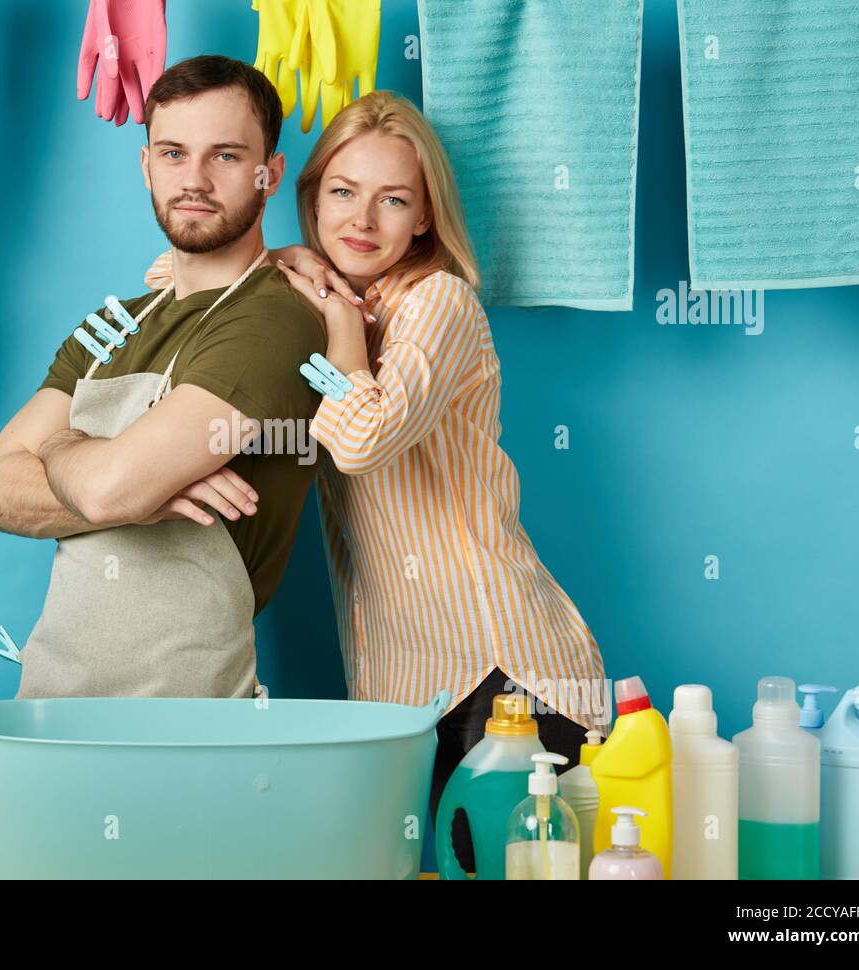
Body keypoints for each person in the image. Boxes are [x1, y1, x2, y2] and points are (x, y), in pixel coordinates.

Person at [146, 90, 607, 871]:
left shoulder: (439, 302)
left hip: (508, 681)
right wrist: (275, 266)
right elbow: (177, 275)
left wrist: (336, 333)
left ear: (424, 217)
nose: (362, 219)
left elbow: (359, 438)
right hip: (403, 690)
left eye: (393, 199)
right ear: (309, 195)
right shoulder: (323, 293)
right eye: (342, 192)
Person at [0, 55, 326, 701]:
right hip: (48, 709)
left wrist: (60, 450)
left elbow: (107, 492)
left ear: (268, 174)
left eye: (223, 156)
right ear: (146, 166)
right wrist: (131, 489)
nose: (193, 180)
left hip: (186, 727)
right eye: (171, 153)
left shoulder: (275, 321)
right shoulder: (112, 326)